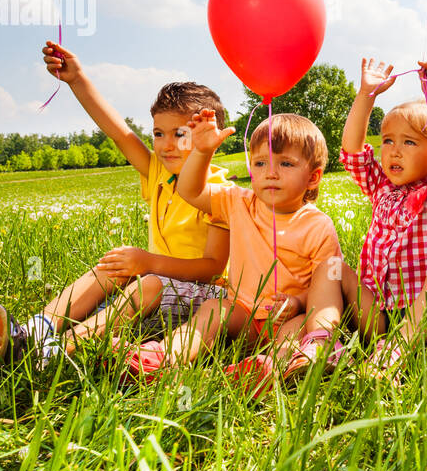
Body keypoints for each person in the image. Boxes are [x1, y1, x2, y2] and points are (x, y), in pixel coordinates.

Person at [0, 41, 230, 369]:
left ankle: (54, 352)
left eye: (180, 134)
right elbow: (120, 133)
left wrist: (148, 262)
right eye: (158, 133)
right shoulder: (159, 173)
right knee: (110, 268)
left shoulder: (219, 193)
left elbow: (212, 267)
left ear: (211, 135)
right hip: (156, 286)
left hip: (204, 298)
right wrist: (77, 79)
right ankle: (34, 332)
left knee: (146, 281)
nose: (166, 145)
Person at [118, 109, 342, 394]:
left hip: (287, 317)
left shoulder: (318, 226)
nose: (270, 172)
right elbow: (189, 191)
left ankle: (270, 367)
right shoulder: (238, 202)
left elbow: (326, 288)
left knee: (298, 330)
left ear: (313, 177)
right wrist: (202, 151)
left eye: (285, 164)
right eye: (260, 163)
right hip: (242, 313)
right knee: (213, 310)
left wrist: (297, 303)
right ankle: (162, 357)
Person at [338, 59, 427, 377]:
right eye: (388, 141)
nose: (394, 151)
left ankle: (394, 353)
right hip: (376, 312)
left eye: (409, 142)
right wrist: (366, 95)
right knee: (332, 267)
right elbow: (352, 150)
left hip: (425, 313)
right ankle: (322, 341)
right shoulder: (379, 185)